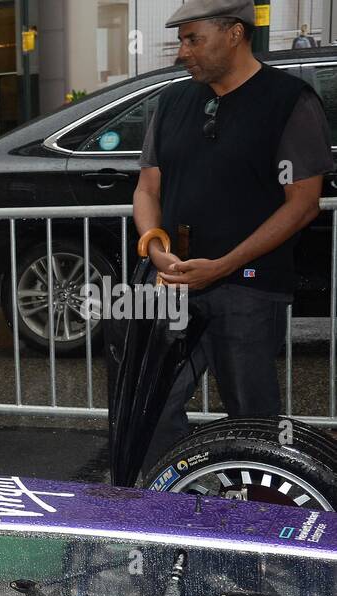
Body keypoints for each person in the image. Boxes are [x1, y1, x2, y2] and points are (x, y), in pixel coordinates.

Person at [132, 0, 332, 472]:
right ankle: (178, 503)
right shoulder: (173, 101)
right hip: (174, 284)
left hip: (249, 287)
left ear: (235, 33)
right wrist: (156, 248)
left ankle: (259, 523)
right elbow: (146, 188)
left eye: (193, 38)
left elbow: (303, 203)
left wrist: (225, 265)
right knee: (153, 403)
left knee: (252, 419)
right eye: (181, 40)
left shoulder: (289, 100)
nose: (183, 52)